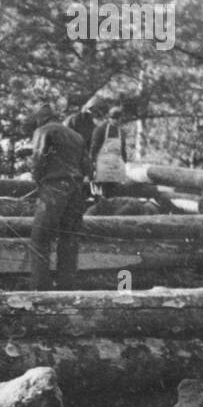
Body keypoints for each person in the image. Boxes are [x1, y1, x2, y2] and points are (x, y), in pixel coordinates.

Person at [29, 105, 89, 291]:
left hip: (54, 188)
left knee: (40, 238)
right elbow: (87, 167)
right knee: (69, 239)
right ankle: (66, 286)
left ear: (40, 119)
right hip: (76, 190)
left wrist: (38, 181)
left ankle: (40, 288)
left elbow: (39, 158)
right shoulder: (76, 136)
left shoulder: (43, 131)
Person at [89, 104, 128, 197]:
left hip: (116, 167)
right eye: (114, 119)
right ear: (110, 118)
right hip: (103, 167)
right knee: (103, 193)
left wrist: (124, 162)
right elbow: (94, 149)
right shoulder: (100, 130)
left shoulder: (121, 132)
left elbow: (122, 150)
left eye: (118, 119)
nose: (117, 121)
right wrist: (92, 165)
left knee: (115, 193)